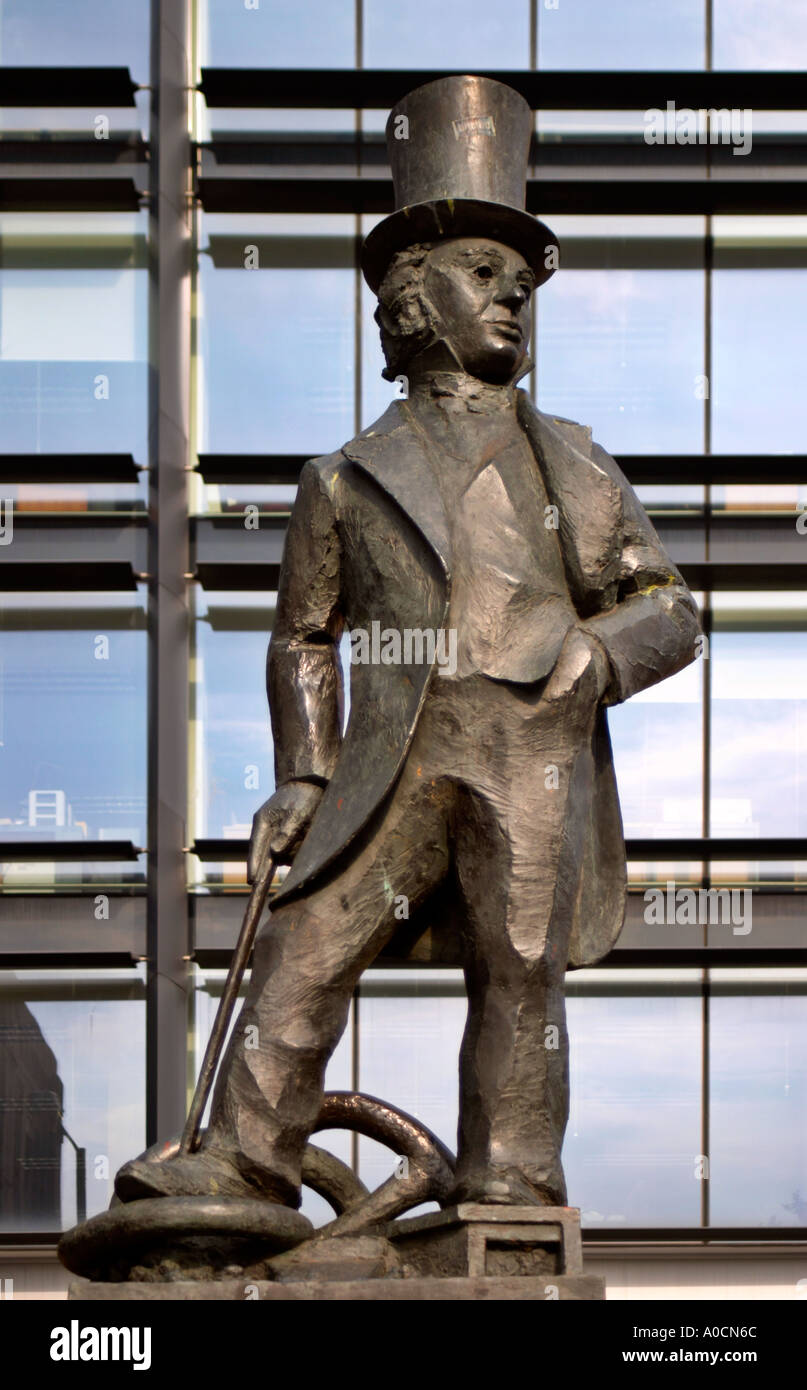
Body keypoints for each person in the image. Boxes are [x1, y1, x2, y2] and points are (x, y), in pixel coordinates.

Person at [116, 76, 700, 1212]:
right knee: (306, 943)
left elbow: (671, 605)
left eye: (523, 284)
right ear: (409, 297)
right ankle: (241, 1164)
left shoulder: (570, 458)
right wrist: (302, 771)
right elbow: (304, 638)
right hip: (391, 755)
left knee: (521, 972)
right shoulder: (338, 478)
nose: (514, 298)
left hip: (528, 741)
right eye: (485, 274)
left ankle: (511, 1187)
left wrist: (593, 661)